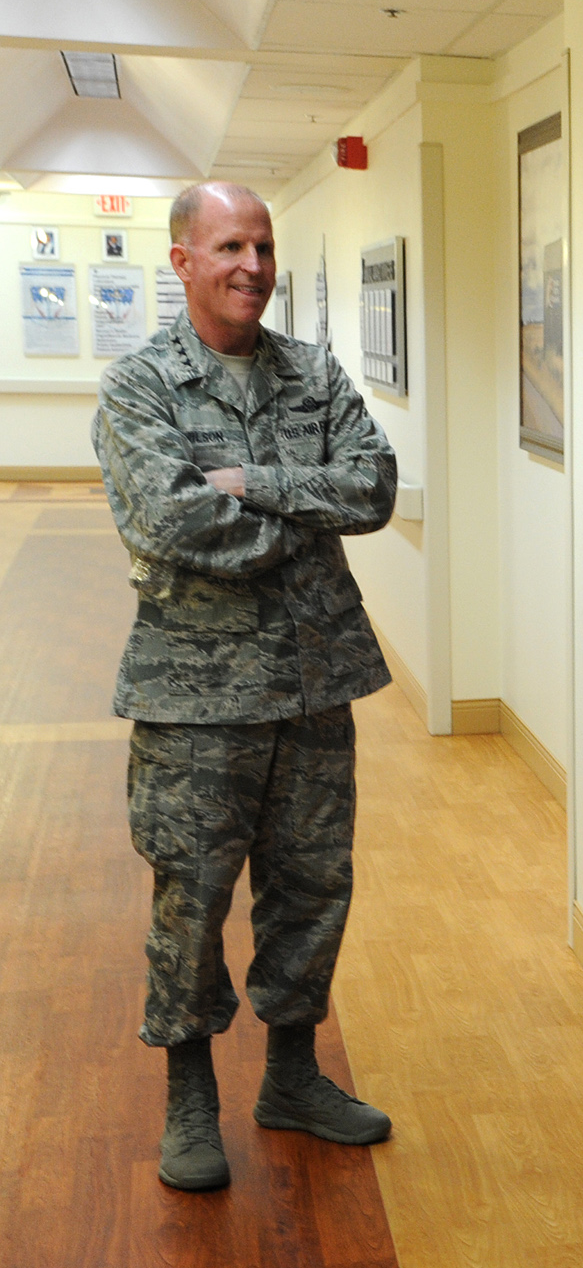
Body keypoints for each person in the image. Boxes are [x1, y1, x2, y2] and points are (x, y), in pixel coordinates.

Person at [94, 181, 398, 1192]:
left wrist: (253, 482)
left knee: (312, 890)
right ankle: (189, 1095)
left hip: (313, 685)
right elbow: (172, 521)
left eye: (263, 247)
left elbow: (375, 485)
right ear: (181, 258)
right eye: (230, 246)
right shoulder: (141, 387)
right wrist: (299, 522)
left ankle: (293, 1077)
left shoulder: (312, 372)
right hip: (195, 699)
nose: (252, 268)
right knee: (193, 899)